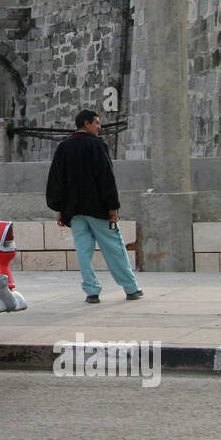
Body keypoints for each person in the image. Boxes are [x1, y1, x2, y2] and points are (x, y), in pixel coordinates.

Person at [45, 109, 142, 303]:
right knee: (114, 247)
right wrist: (112, 207)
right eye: (97, 123)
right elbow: (106, 178)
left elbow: (57, 180)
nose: (99, 127)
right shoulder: (97, 146)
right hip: (98, 209)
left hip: (74, 211)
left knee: (83, 249)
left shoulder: (64, 147)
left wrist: (59, 209)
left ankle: (91, 291)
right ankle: (130, 288)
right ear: (86, 124)